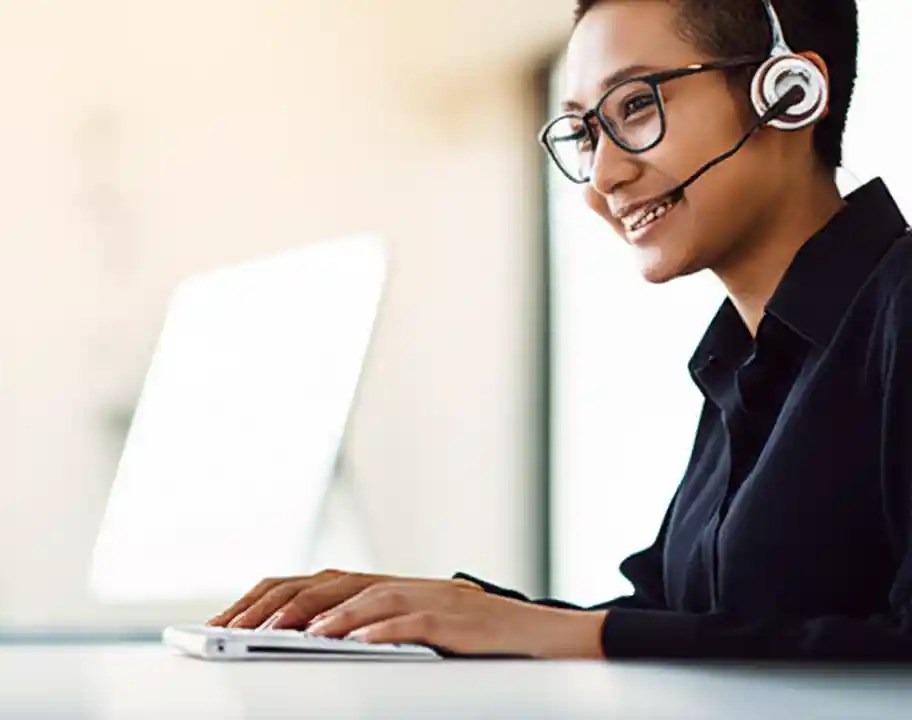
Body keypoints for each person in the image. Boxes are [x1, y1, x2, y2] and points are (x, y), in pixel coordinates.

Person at [207, 0, 912, 661]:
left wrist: (537, 627)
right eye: (584, 131)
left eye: (636, 106)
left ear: (789, 92)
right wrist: (445, 610)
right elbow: (678, 622)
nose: (603, 176)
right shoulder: (745, 356)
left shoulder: (898, 307)